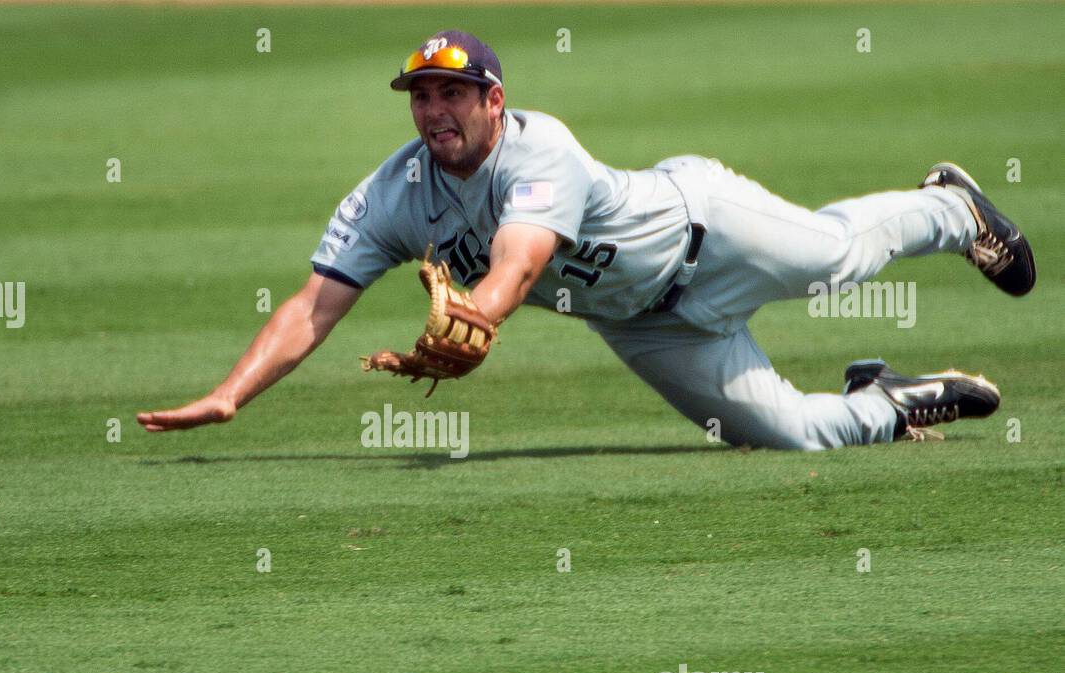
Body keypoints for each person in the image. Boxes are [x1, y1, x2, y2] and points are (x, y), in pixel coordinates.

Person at [137, 30, 1034, 450]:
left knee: (840, 259)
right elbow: (313, 305)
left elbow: (518, 265)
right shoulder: (391, 195)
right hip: (644, 324)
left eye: (452, 92)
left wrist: (476, 318)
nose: (432, 109)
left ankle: (955, 210)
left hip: (705, 231)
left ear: (494, 100)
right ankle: (891, 402)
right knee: (788, 435)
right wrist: (229, 397)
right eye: (420, 93)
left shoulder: (542, 147)